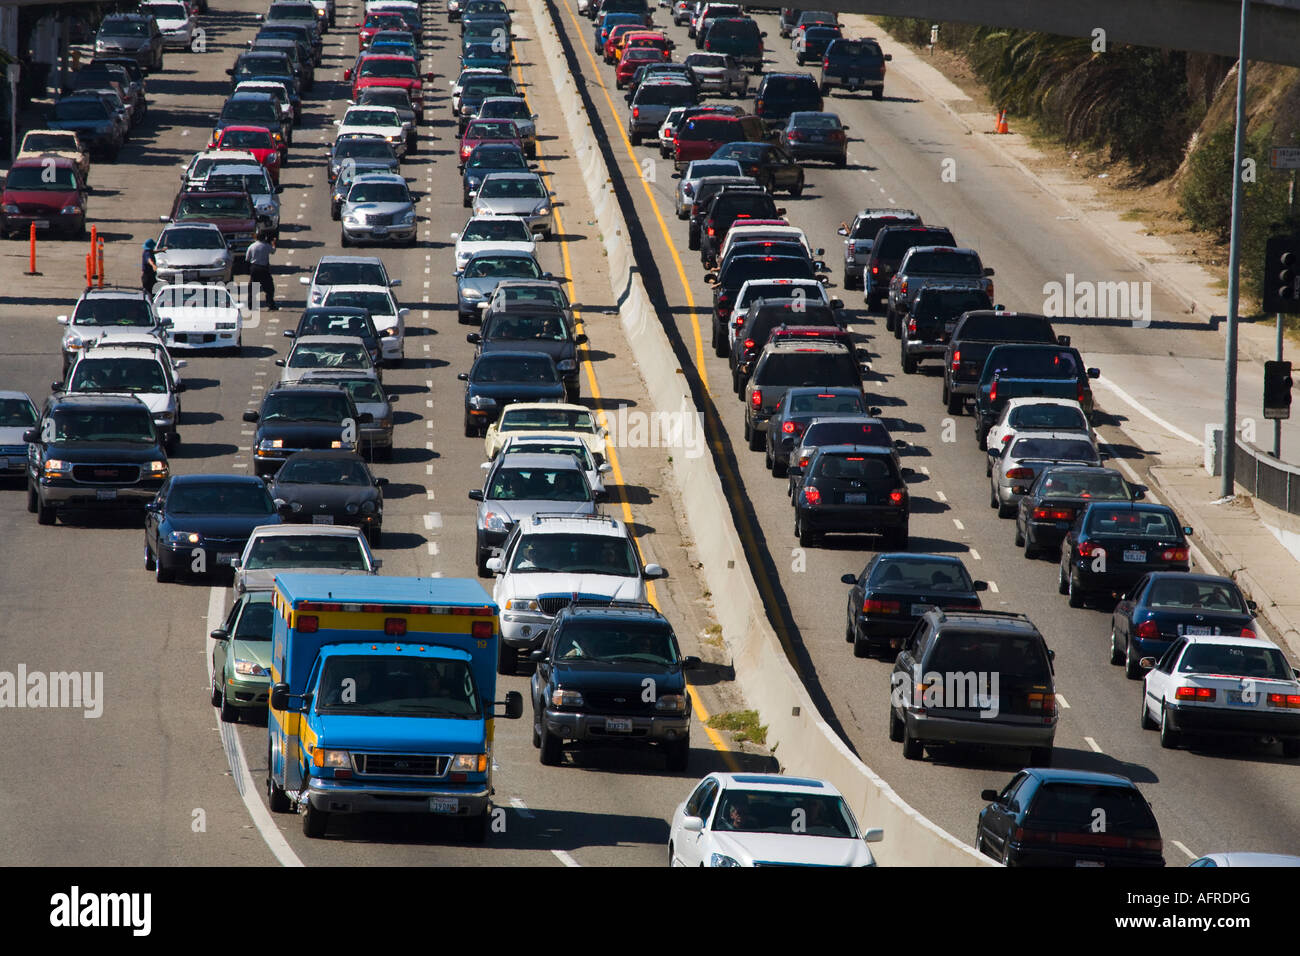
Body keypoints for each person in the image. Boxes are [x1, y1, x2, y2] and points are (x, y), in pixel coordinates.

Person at [245, 233, 278, 311]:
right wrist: (273, 244)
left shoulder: (252, 246)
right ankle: (271, 304)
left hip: (254, 268)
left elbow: (247, 259)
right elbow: (273, 251)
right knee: (269, 287)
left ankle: (251, 305)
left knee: (252, 287)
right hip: (264, 268)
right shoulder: (266, 246)